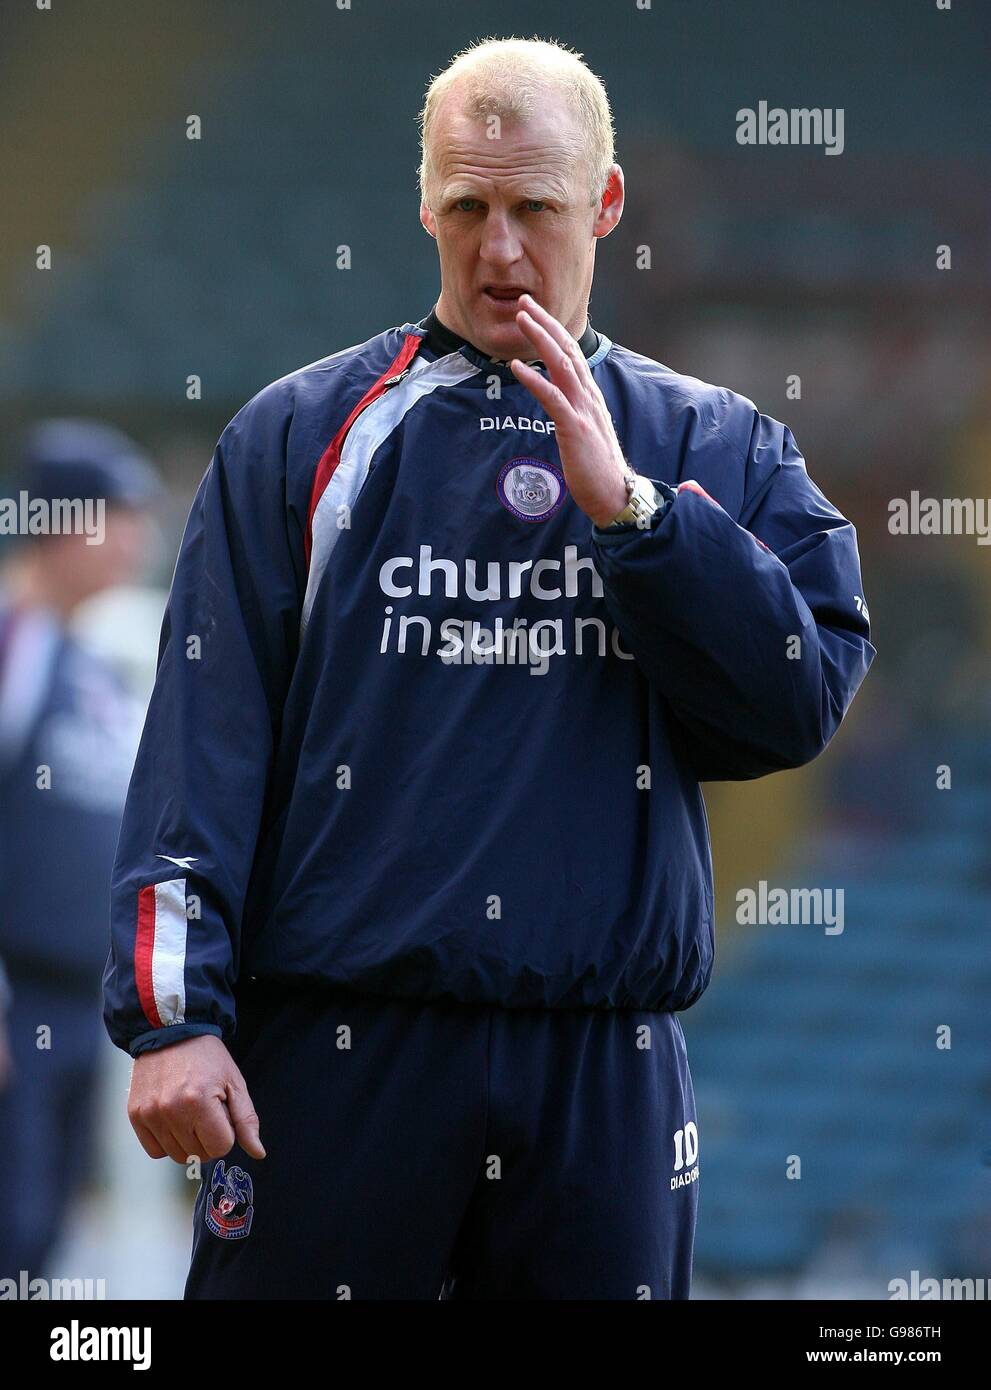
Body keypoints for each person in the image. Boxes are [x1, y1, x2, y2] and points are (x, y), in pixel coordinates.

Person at [103, 36, 875, 1300]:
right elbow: (206, 737)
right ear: (423, 205)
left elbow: (796, 702)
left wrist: (636, 520)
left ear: (605, 204)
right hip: (345, 1045)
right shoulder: (298, 436)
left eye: (536, 208)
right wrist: (172, 1018)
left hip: (601, 1063)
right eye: (467, 207)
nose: (500, 249)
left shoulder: (712, 444)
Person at [0, 419, 161, 1283]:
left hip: (74, 1006)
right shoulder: (11, 644)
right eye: (121, 515)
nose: (139, 536)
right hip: (13, 995)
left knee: (44, 1240)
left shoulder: (92, 658)